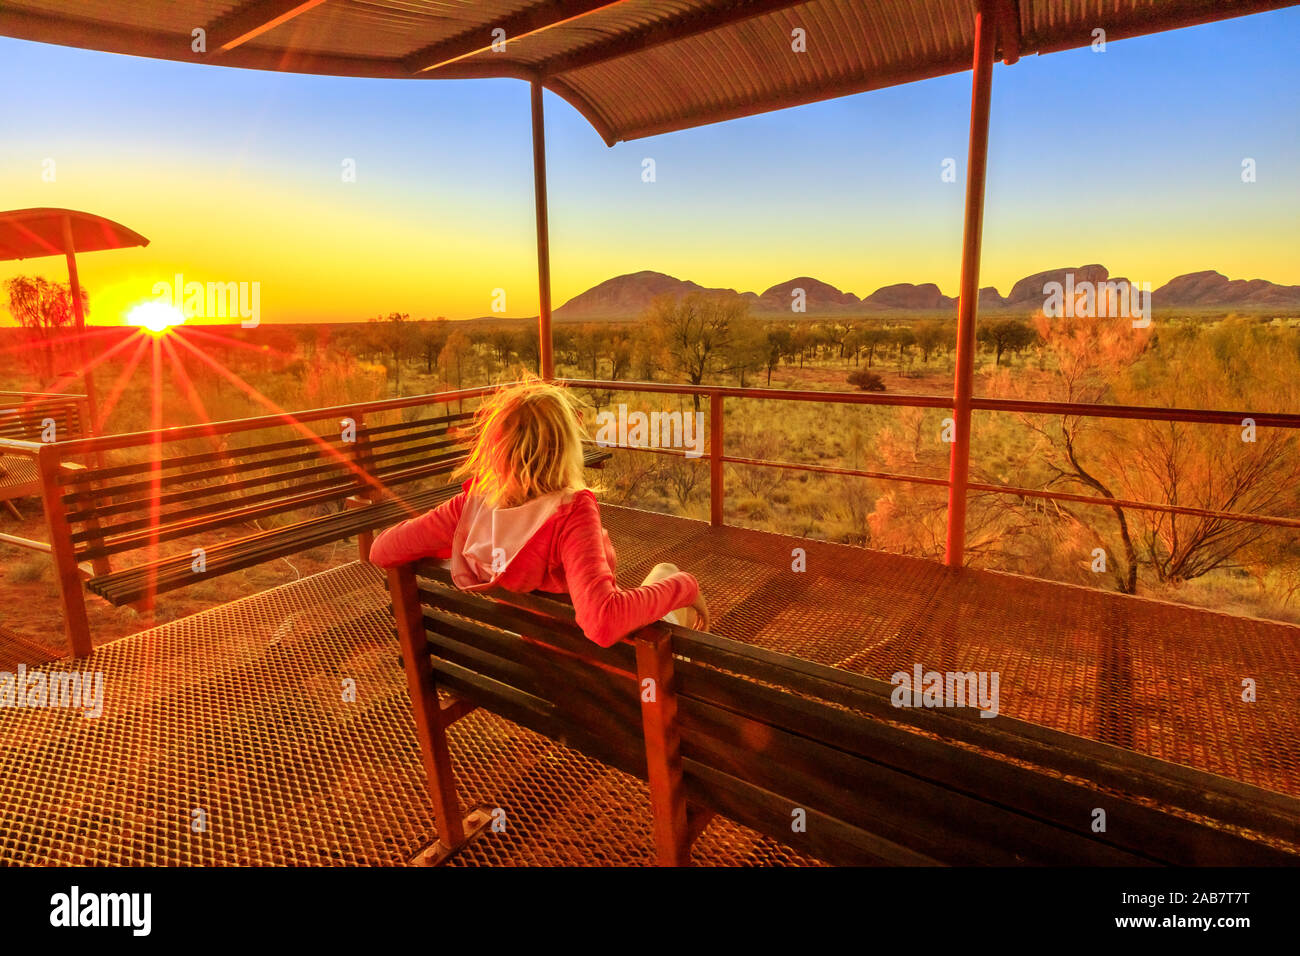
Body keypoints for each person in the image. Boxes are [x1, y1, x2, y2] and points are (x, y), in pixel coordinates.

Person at [369, 377, 708, 647]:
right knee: (668, 571)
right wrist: (687, 587)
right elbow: (603, 624)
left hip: (527, 668)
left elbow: (382, 550)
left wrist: (463, 543)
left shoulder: (470, 508)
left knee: (663, 574)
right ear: (564, 447)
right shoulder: (571, 514)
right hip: (598, 679)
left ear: (496, 446)